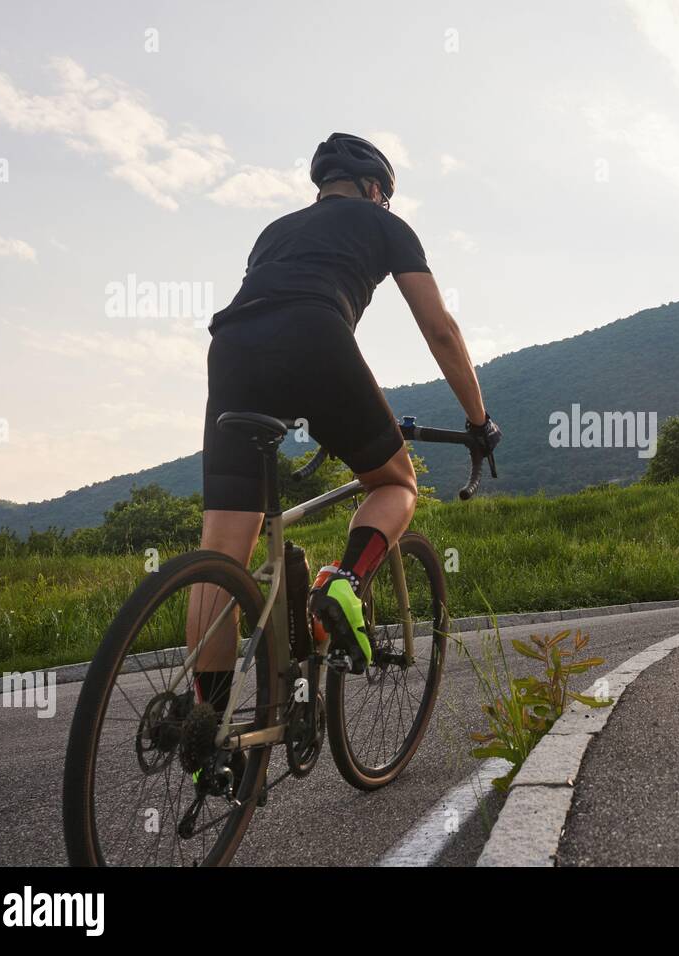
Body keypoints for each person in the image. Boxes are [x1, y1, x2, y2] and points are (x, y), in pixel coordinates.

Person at [189, 132, 500, 707]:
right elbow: (440, 329)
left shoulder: (274, 232)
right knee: (395, 482)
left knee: (222, 558)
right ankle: (344, 583)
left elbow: (277, 301)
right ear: (375, 189)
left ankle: (207, 729)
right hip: (314, 335)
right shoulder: (385, 224)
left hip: (230, 347)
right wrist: (478, 421)